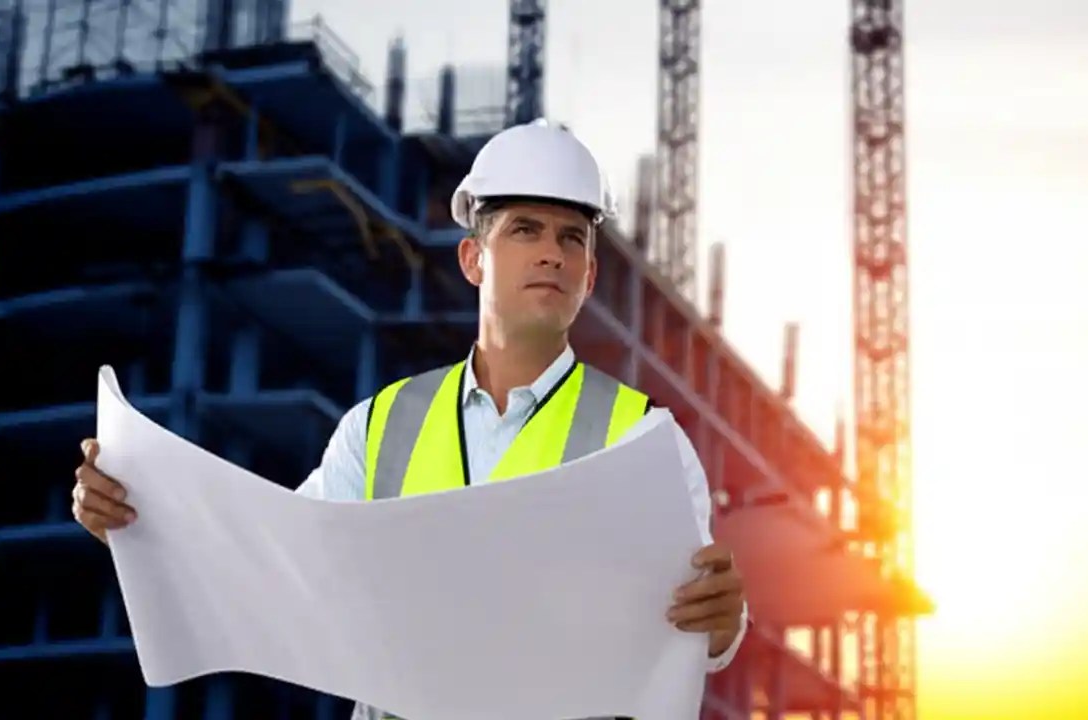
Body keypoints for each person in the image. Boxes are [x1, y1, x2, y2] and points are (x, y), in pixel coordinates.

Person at [72, 120, 749, 717]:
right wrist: (134, 522)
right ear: (472, 258)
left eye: (573, 237)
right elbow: (273, 566)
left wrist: (723, 623)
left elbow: (691, 626)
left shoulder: (644, 439)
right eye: (525, 230)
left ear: (591, 275)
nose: (552, 253)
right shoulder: (380, 427)